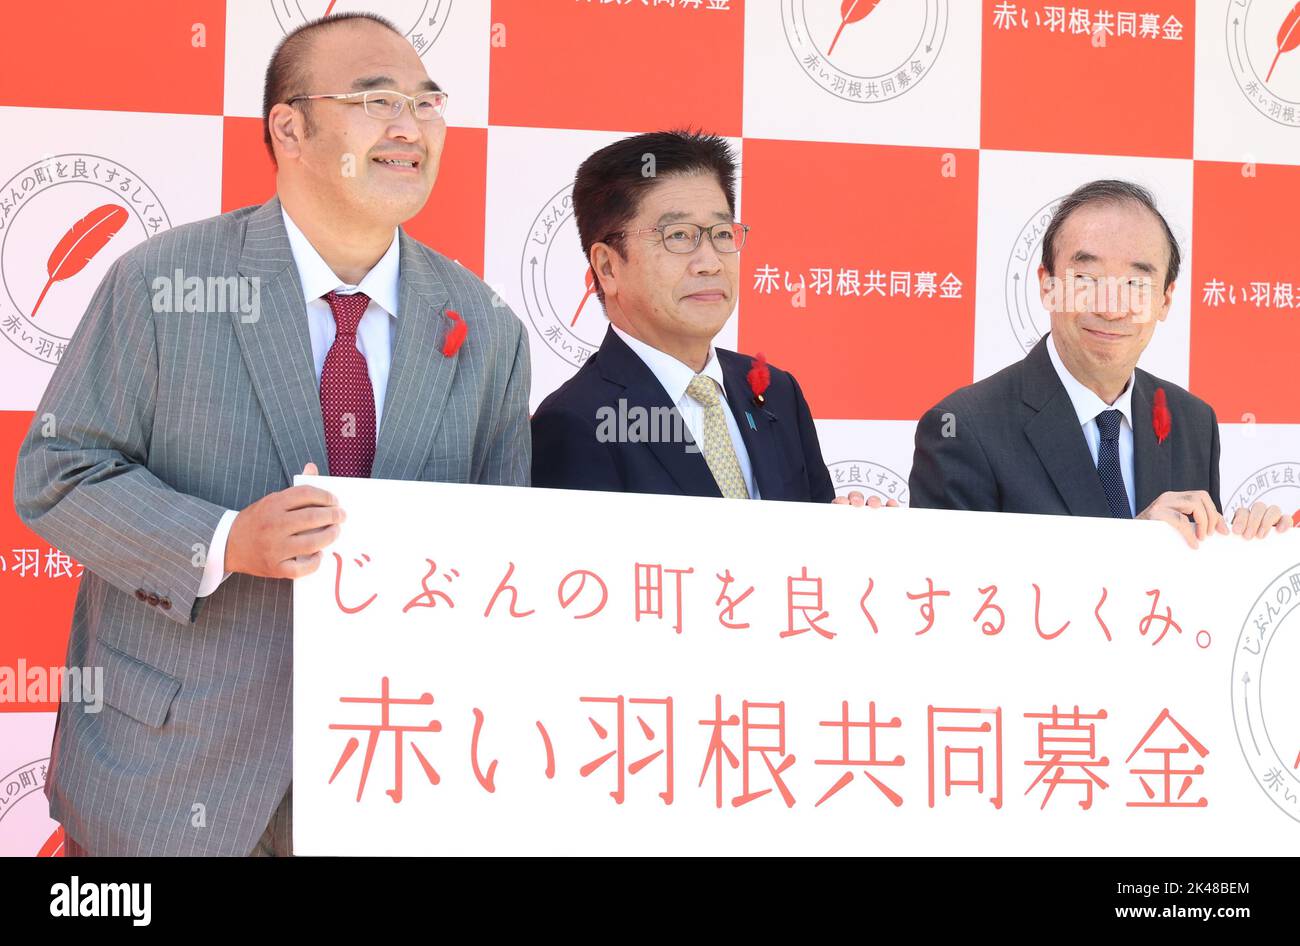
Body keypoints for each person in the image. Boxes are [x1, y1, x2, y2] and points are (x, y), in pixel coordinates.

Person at [12, 12, 531, 856]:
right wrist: (221, 541)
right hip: (171, 775)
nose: (410, 126)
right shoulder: (163, 281)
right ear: (289, 127)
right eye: (375, 100)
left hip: (390, 780)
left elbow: (507, 552)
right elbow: (58, 472)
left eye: (426, 101)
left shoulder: (486, 326)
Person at [909, 179, 1288, 548]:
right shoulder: (963, 428)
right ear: (1047, 285)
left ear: (1165, 300)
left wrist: (1249, 548)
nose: (1111, 308)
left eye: (1136, 284)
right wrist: (1130, 544)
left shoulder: (1192, 421)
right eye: (1086, 278)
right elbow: (959, 598)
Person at [531, 130, 884, 508]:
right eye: (679, 235)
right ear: (608, 266)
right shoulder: (573, 422)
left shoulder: (777, 393)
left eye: (721, 234)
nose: (710, 262)